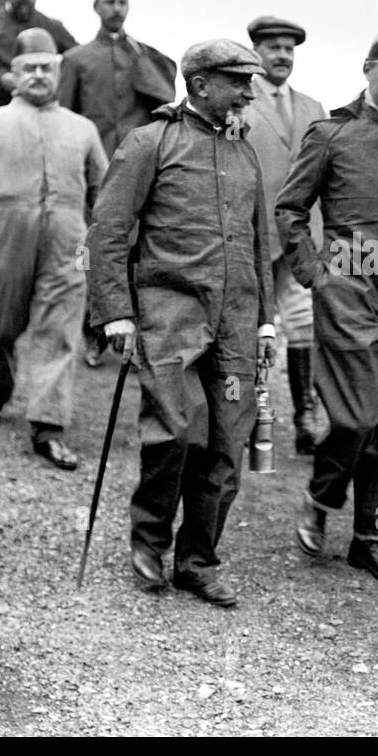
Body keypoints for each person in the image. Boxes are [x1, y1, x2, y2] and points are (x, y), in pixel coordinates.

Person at [86, 39, 275, 608]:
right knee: (176, 431)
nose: (248, 92)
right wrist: (116, 312)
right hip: (169, 319)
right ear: (199, 85)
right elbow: (108, 231)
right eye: (237, 81)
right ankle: (149, 541)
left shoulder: (245, 154)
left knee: (226, 445)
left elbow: (259, 242)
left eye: (250, 81)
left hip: (236, 324)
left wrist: (265, 323)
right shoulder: (150, 143)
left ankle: (198, 561)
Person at [277, 30, 378, 585]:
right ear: (368, 70)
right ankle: (321, 498)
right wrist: (315, 276)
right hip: (348, 293)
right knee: (359, 416)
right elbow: (290, 209)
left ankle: (372, 540)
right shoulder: (331, 134)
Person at [0, 29, 107, 470]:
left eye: (46, 67)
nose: (38, 75)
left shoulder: (83, 130)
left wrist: (108, 253)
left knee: (61, 328)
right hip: (1, 235)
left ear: (58, 71)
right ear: (12, 76)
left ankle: (47, 427)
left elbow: (104, 198)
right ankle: (0, 388)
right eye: (28, 68)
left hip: (67, 241)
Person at [58, 0, 176, 367]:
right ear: (96, 6)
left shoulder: (144, 56)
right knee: (94, 249)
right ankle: (93, 333)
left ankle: (131, 334)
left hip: (137, 170)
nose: (116, 9)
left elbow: (166, 101)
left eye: (122, 2)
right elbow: (65, 119)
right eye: (109, 1)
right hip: (92, 170)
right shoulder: (76, 59)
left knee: (136, 249)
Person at [244, 15, 327, 454]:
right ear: (256, 52)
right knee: (252, 326)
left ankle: (305, 418)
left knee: (303, 324)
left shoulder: (313, 109)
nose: (281, 56)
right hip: (253, 235)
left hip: (300, 239)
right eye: (273, 47)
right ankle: (249, 418)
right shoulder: (239, 100)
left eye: (289, 49)